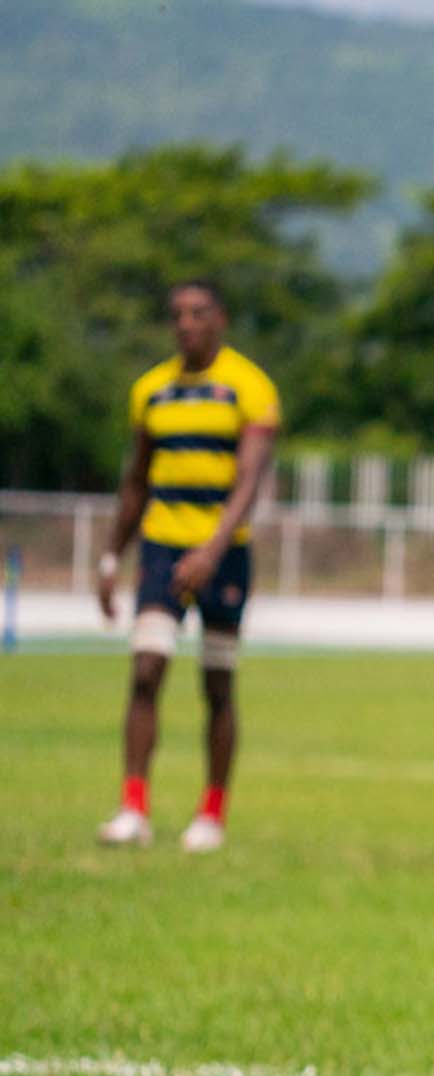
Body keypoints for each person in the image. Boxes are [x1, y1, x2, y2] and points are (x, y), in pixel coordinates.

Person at [94, 279, 279, 853]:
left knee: (217, 683)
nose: (186, 324)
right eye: (177, 315)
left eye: (198, 313)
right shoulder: (152, 390)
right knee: (146, 670)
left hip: (224, 554)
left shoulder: (249, 388)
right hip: (162, 547)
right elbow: (135, 482)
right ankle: (134, 808)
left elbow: (249, 483)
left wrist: (212, 550)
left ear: (220, 319)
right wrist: (109, 557)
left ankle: (212, 813)